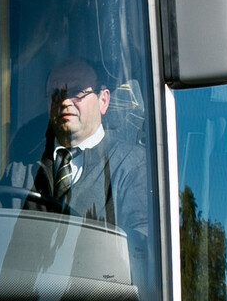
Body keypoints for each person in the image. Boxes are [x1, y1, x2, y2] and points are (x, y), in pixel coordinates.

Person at [26, 58, 149, 252]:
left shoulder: (133, 166)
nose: (64, 102)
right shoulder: (20, 169)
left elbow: (140, 247)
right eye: (55, 94)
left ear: (104, 100)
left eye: (76, 92)